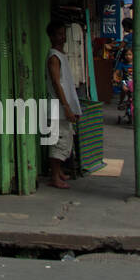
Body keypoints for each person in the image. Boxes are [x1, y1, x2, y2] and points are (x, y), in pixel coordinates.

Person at [45, 21, 81, 190]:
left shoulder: (60, 55)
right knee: (58, 141)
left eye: (63, 33)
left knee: (65, 138)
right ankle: (54, 176)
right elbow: (56, 82)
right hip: (57, 106)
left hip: (61, 105)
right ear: (51, 37)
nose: (62, 37)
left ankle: (58, 172)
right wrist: (66, 106)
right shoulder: (54, 57)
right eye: (59, 34)